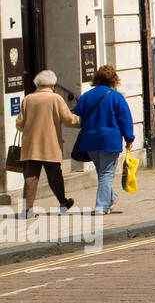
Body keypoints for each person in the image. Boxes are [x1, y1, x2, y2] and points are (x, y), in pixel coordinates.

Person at [16, 70, 79, 217]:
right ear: (52, 84)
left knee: (30, 178)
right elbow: (69, 120)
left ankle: (27, 210)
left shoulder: (28, 99)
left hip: (31, 145)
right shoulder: (55, 98)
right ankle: (63, 202)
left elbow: (20, 123)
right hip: (50, 144)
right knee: (55, 176)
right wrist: (82, 121)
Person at [73, 65, 136, 214]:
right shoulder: (116, 97)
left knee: (102, 173)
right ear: (114, 80)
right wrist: (129, 138)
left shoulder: (86, 96)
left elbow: (77, 114)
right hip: (109, 141)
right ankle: (101, 206)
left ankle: (111, 198)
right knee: (106, 174)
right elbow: (125, 119)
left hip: (89, 140)